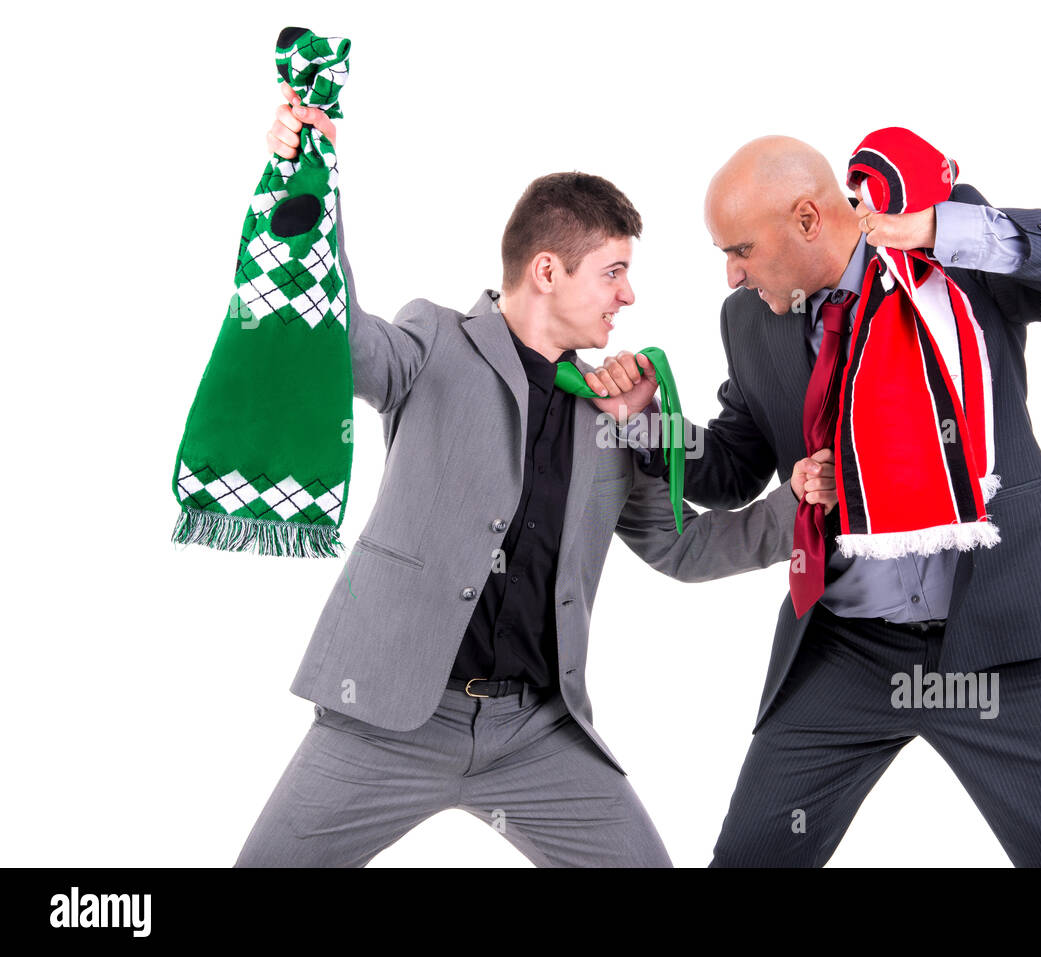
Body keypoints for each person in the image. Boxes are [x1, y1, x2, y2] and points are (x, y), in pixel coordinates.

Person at [235, 88, 822, 868]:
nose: (629, 295)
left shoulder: (610, 410)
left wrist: (803, 502)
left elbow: (682, 546)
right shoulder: (434, 342)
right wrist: (310, 184)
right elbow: (341, 336)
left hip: (534, 733)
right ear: (548, 270)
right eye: (613, 272)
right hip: (384, 717)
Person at [593, 134, 1041, 867]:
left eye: (742, 249)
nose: (730, 275)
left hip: (1002, 640)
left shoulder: (953, 263)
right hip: (847, 647)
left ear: (810, 219)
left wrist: (944, 229)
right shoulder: (752, 321)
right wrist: (647, 423)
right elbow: (732, 466)